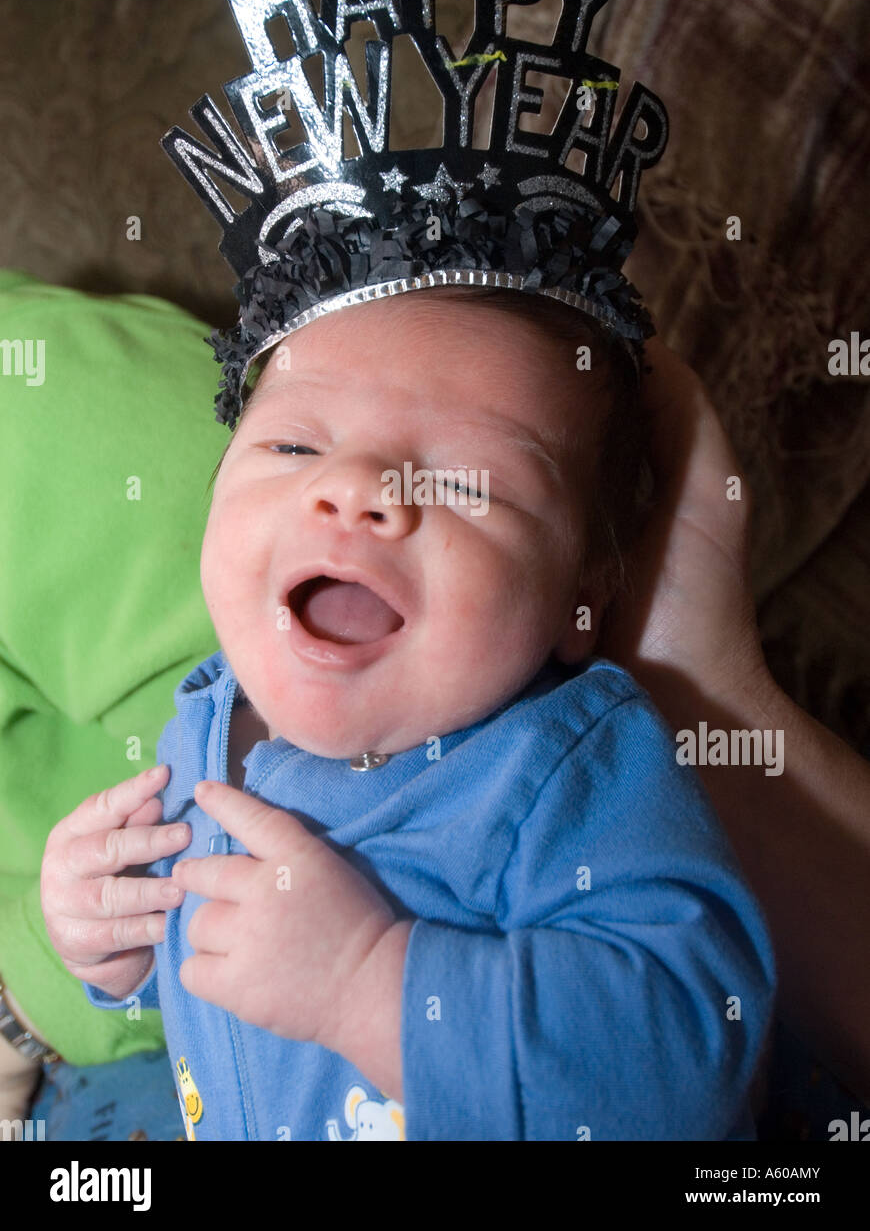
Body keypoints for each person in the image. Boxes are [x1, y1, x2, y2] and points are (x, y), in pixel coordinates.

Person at [40, 278, 776, 1140]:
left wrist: (368, 982)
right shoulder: (201, 728)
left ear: (585, 598)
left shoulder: (561, 767)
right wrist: (114, 939)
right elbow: (233, 973)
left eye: (467, 484)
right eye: (290, 446)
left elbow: (691, 1057)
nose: (353, 489)